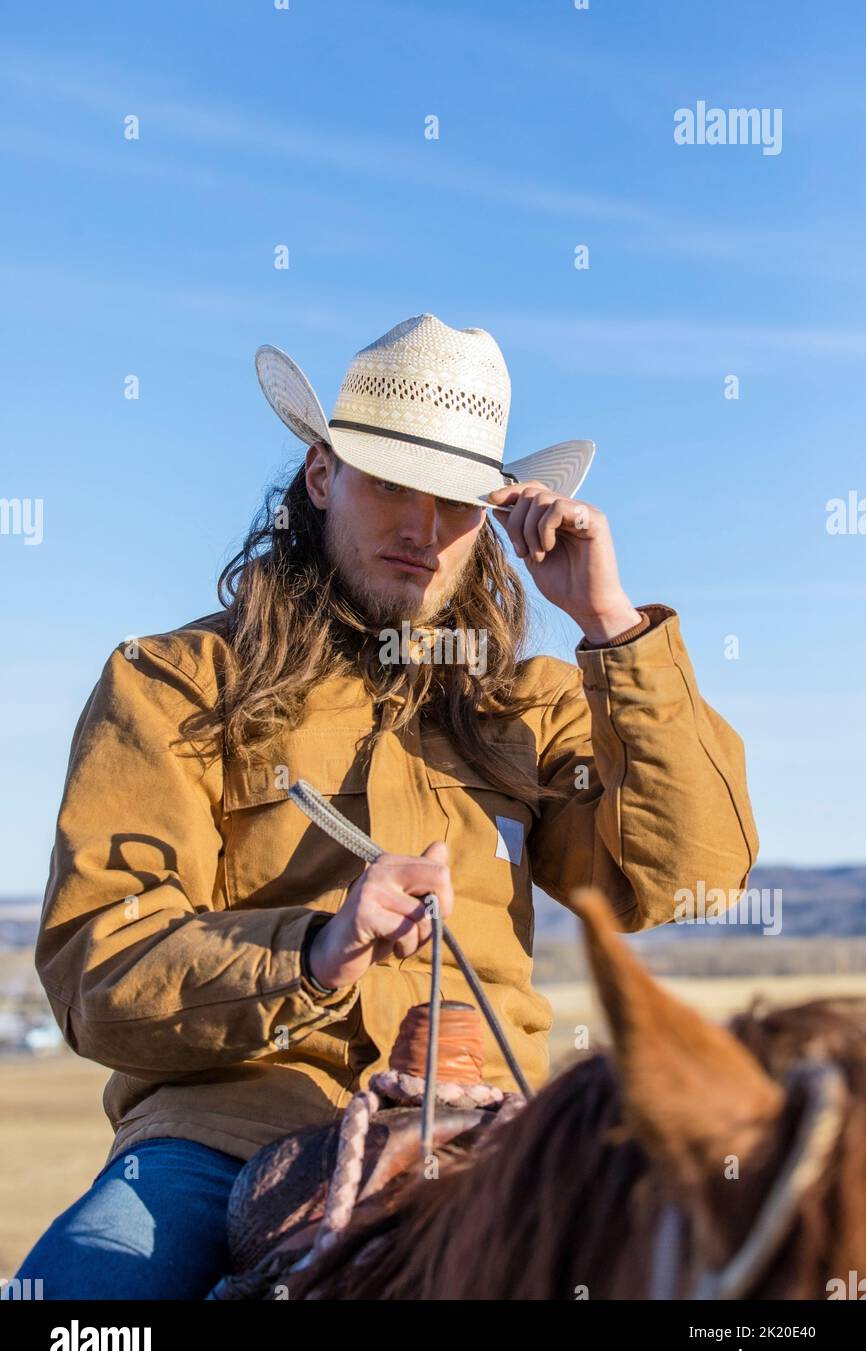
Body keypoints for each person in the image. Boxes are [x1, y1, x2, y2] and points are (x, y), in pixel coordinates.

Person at [8, 313, 758, 1299]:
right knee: (84, 1301)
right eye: (390, 483)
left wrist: (612, 629)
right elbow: (97, 969)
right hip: (226, 1135)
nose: (423, 528)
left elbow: (683, 878)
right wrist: (314, 949)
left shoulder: (527, 707)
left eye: (456, 501)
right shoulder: (175, 684)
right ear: (322, 476)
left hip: (496, 1126)